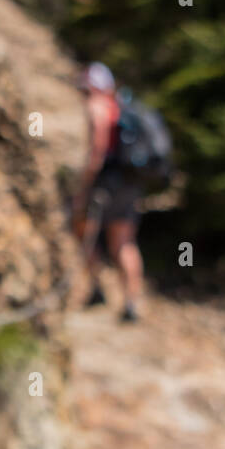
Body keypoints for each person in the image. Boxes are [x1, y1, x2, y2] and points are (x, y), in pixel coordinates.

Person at [72, 61, 144, 322]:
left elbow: (97, 152)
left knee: (83, 229)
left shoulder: (96, 107)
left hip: (106, 183)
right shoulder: (121, 107)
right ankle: (131, 302)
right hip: (129, 182)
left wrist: (84, 187)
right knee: (124, 242)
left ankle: (96, 287)